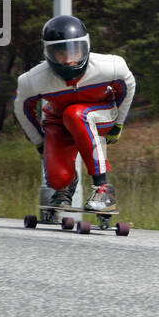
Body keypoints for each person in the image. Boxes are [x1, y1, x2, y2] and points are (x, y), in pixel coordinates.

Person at [12, 15, 135, 218]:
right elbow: (21, 108)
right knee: (57, 178)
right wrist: (39, 141)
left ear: (86, 47)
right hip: (59, 121)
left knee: (76, 114)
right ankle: (64, 189)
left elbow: (128, 85)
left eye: (75, 51)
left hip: (100, 113)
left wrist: (118, 124)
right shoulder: (32, 80)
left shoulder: (111, 66)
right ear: (48, 53)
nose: (69, 60)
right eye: (61, 53)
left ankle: (103, 189)